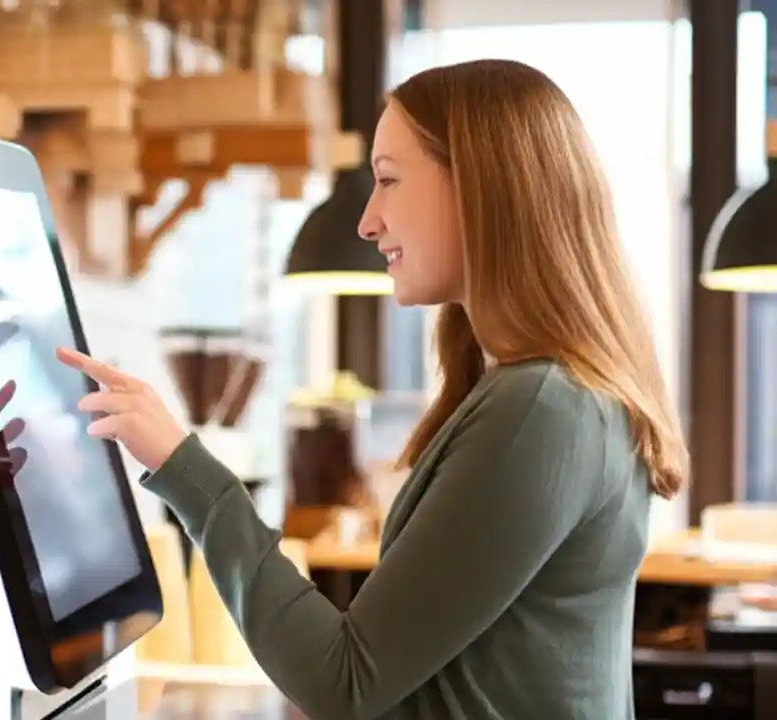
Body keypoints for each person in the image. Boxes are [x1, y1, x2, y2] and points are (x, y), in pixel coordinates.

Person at [55, 58, 688, 720]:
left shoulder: (543, 409)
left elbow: (344, 681)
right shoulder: (549, 395)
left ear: (477, 187)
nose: (368, 221)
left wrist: (184, 468)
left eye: (388, 180)